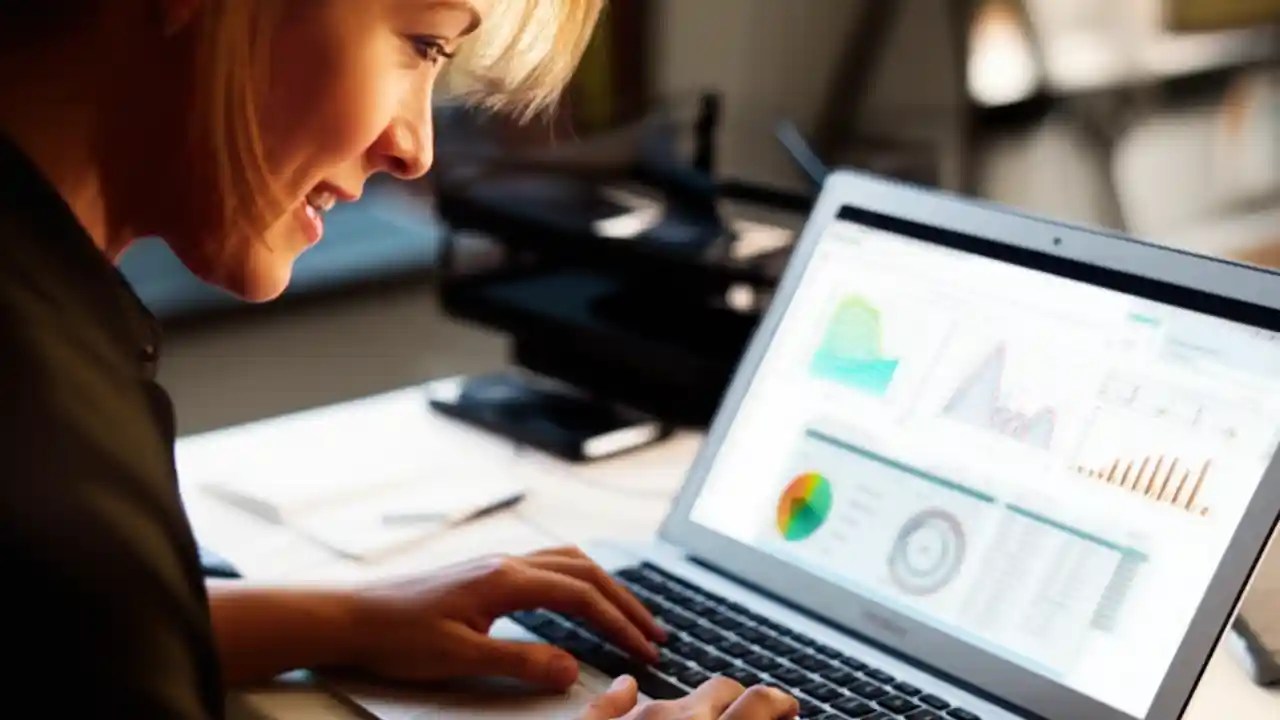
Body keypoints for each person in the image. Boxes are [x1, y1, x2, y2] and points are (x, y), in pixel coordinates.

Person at [0, 1, 801, 719]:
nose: (415, 149)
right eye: (421, 44)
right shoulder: (51, 441)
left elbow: (53, 633)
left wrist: (345, 618)